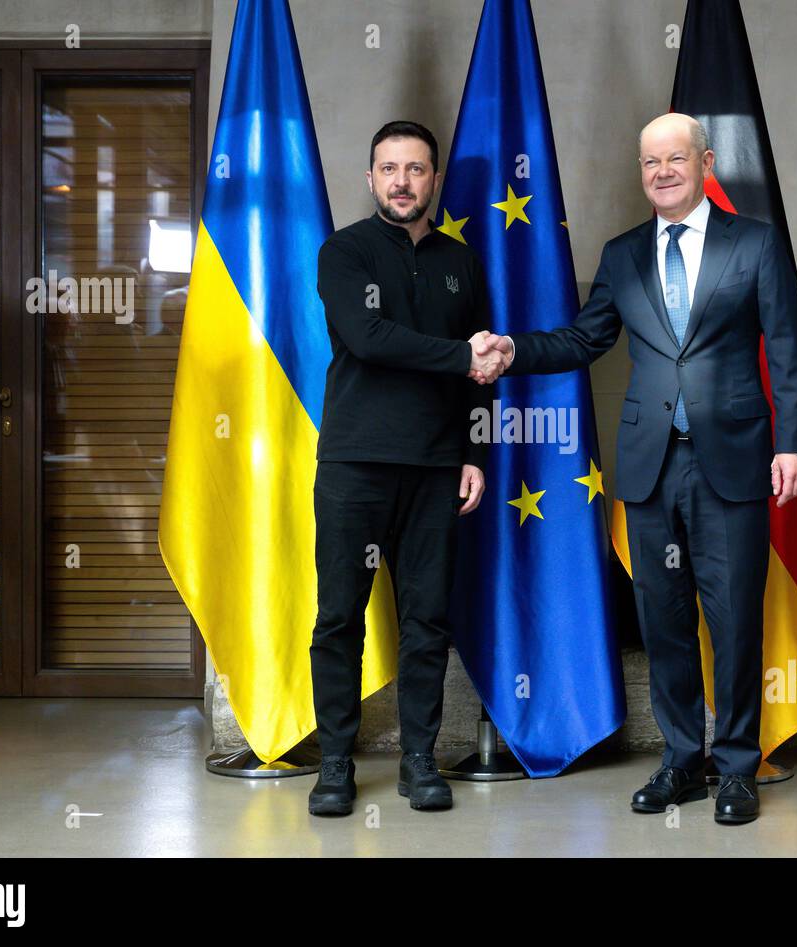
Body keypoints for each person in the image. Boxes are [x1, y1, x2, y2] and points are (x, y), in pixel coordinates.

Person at [473, 113, 797, 825]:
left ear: (705, 162)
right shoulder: (623, 253)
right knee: (663, 620)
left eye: (675, 158)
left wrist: (793, 444)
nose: (662, 171)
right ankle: (682, 761)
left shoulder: (754, 243)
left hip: (734, 462)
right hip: (650, 466)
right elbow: (584, 336)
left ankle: (737, 766)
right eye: (650, 160)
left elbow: (784, 348)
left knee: (734, 618)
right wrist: (514, 351)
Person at [309, 120, 508, 816]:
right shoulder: (344, 253)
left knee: (428, 619)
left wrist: (474, 454)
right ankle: (335, 763)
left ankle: (418, 761)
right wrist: (460, 355)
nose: (402, 181)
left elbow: (483, 373)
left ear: (433, 179)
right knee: (339, 617)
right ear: (371, 179)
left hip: (434, 470)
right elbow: (368, 339)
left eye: (416, 169)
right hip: (354, 464)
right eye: (389, 168)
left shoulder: (463, 262)